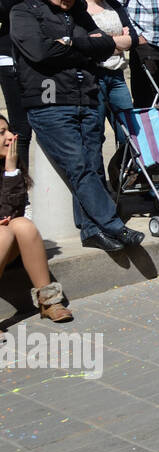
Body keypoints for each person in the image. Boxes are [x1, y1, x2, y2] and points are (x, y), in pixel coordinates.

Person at [10, 0, 144, 253]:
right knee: (79, 166)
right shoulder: (23, 12)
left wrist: (69, 43)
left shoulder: (79, 12)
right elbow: (40, 52)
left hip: (86, 95)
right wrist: (83, 46)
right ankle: (113, 224)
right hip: (49, 102)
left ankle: (91, 229)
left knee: (93, 165)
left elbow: (105, 46)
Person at [0, 115, 73, 326]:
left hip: (5, 244)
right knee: (5, 232)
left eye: (9, 130)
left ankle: (49, 301)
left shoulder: (9, 166)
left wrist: (11, 171)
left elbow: (13, 212)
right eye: (1, 133)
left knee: (22, 225)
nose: (10, 137)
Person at [0, 0, 52, 169]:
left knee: (49, 117)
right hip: (10, 49)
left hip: (47, 49)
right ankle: (18, 187)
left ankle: (54, 192)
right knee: (20, 124)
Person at [80, 0, 136, 185]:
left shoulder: (114, 4)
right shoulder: (78, 8)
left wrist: (105, 41)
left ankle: (117, 170)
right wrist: (116, 40)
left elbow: (131, 38)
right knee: (94, 136)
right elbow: (85, 42)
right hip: (92, 77)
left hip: (116, 76)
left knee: (131, 134)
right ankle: (100, 189)